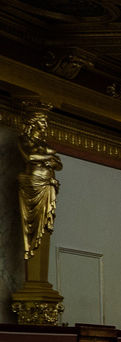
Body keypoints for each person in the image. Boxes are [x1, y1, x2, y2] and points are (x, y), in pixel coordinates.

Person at [17, 108, 61, 263]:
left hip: (48, 184)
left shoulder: (43, 142)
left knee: (45, 223)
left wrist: (48, 160)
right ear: (33, 122)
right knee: (34, 224)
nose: (45, 124)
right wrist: (49, 157)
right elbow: (29, 156)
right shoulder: (24, 139)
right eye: (42, 121)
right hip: (33, 184)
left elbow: (59, 164)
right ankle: (31, 252)